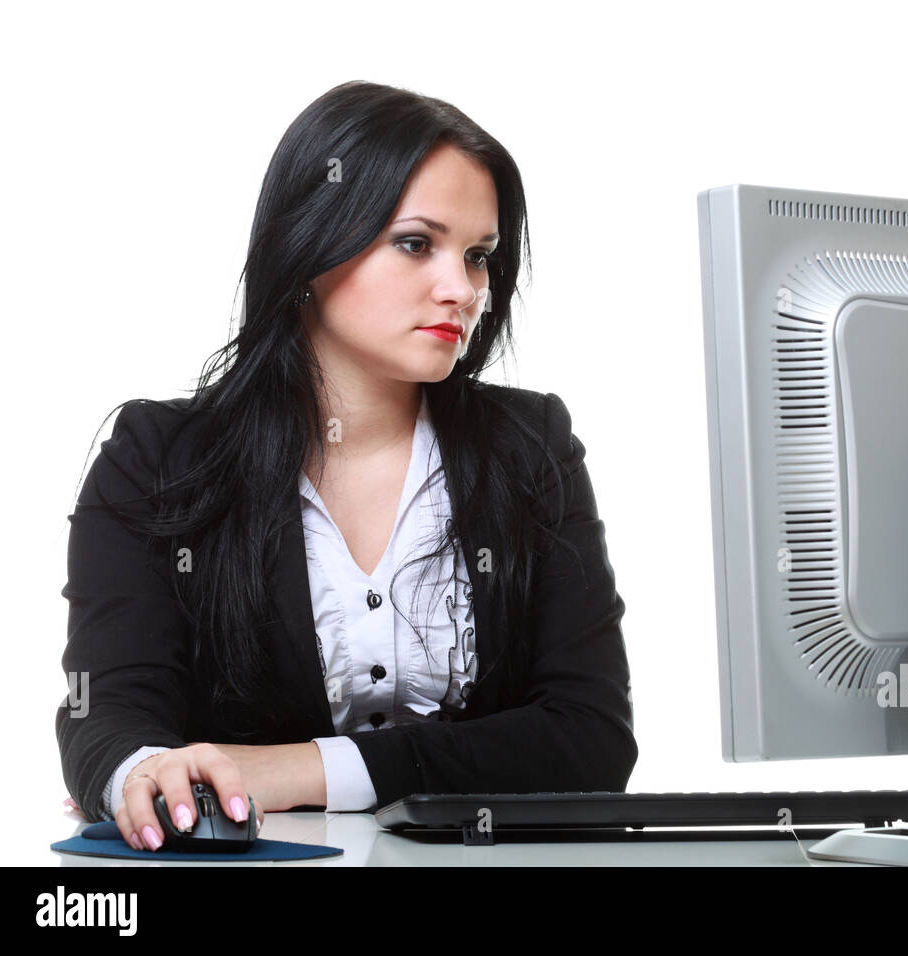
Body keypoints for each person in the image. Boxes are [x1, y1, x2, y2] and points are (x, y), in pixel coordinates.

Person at [56, 80, 637, 852]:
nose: (461, 290)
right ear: (310, 243)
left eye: (479, 257)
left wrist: (301, 770)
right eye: (415, 243)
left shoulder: (531, 447)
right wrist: (145, 777)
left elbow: (589, 738)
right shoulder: (157, 458)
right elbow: (106, 705)